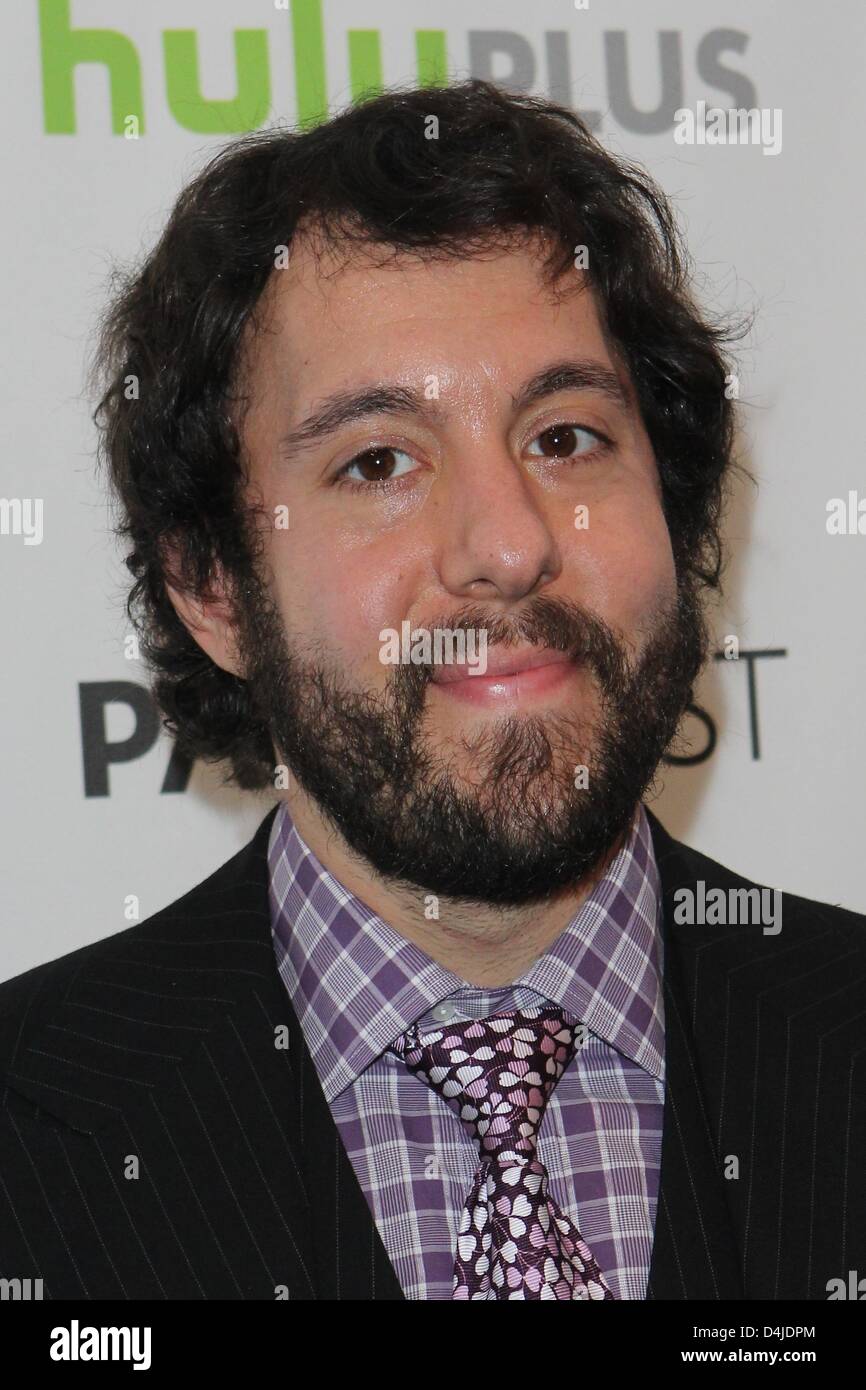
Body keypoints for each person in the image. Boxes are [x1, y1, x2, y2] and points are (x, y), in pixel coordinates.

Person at [1, 78, 863, 1302]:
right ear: (212, 587)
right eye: (379, 462)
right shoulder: (31, 1133)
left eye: (564, 435)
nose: (506, 545)